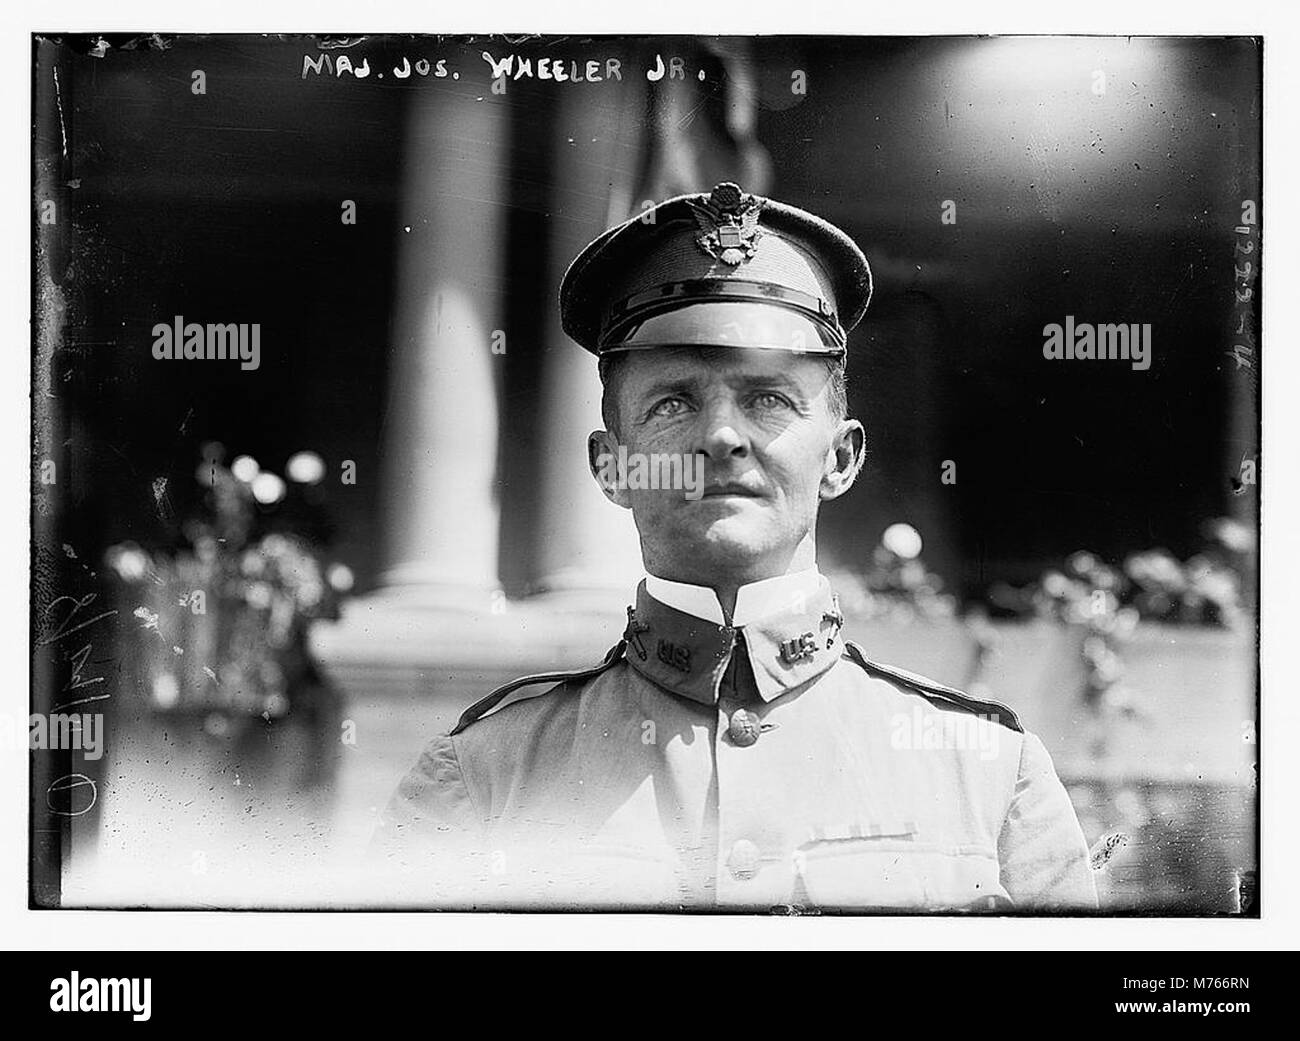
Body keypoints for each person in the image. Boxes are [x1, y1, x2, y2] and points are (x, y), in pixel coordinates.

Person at [373, 182, 1098, 912]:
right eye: (672, 402)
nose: (721, 436)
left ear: (840, 457)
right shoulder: (479, 779)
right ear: (611, 465)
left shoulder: (991, 775)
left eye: (769, 399)